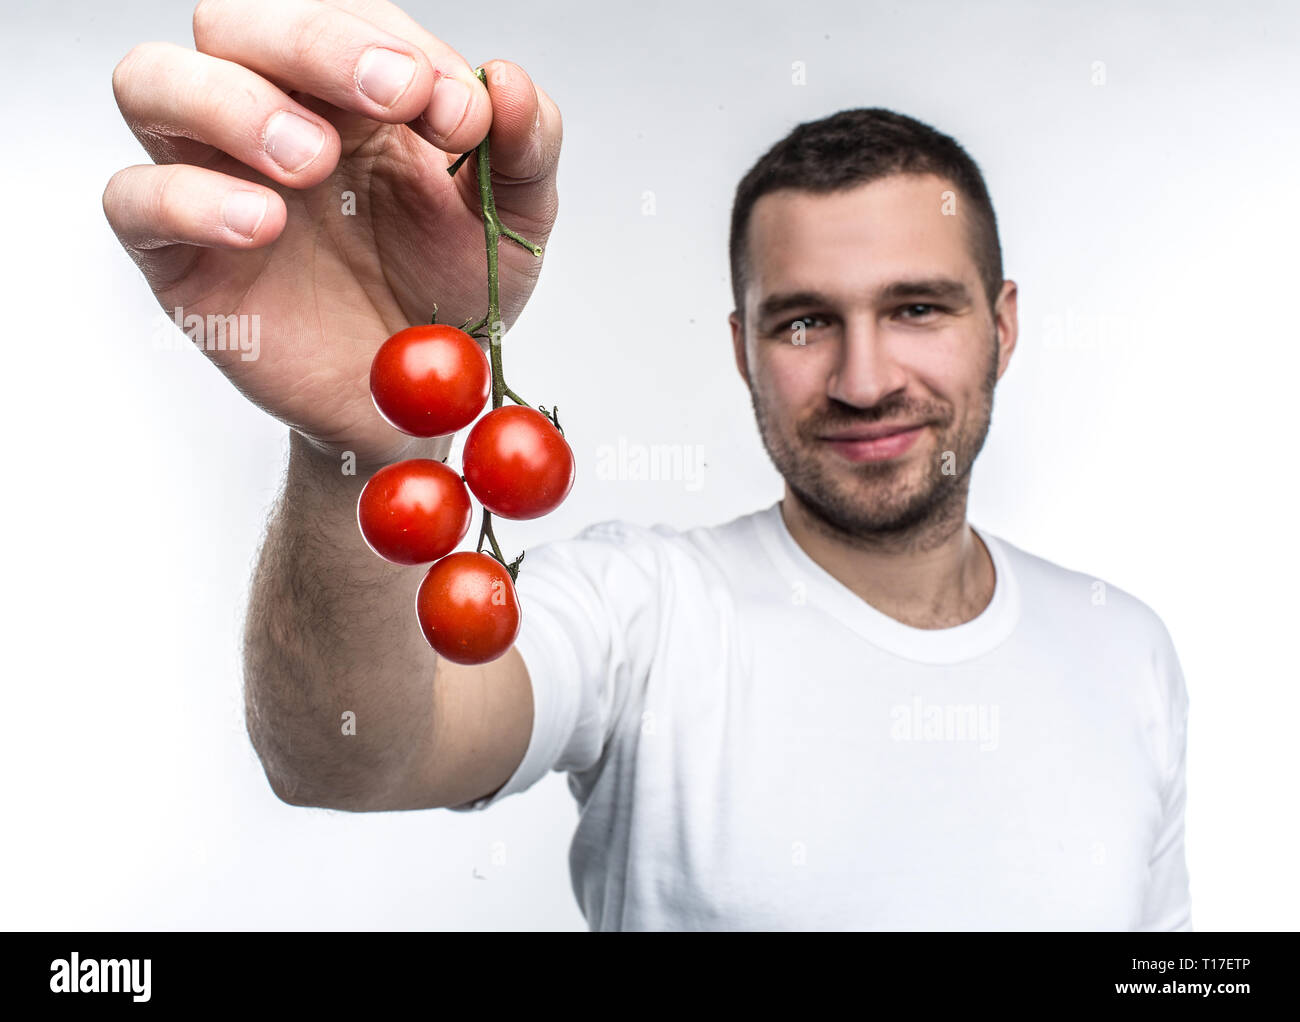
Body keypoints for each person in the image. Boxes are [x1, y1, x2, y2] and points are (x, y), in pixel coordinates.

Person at [103, 0, 1191, 932]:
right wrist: (373, 434)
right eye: (805, 321)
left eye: (916, 307)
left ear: (1002, 326)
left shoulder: (1126, 646)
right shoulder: (641, 612)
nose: (864, 377)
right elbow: (346, 758)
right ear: (740, 348)